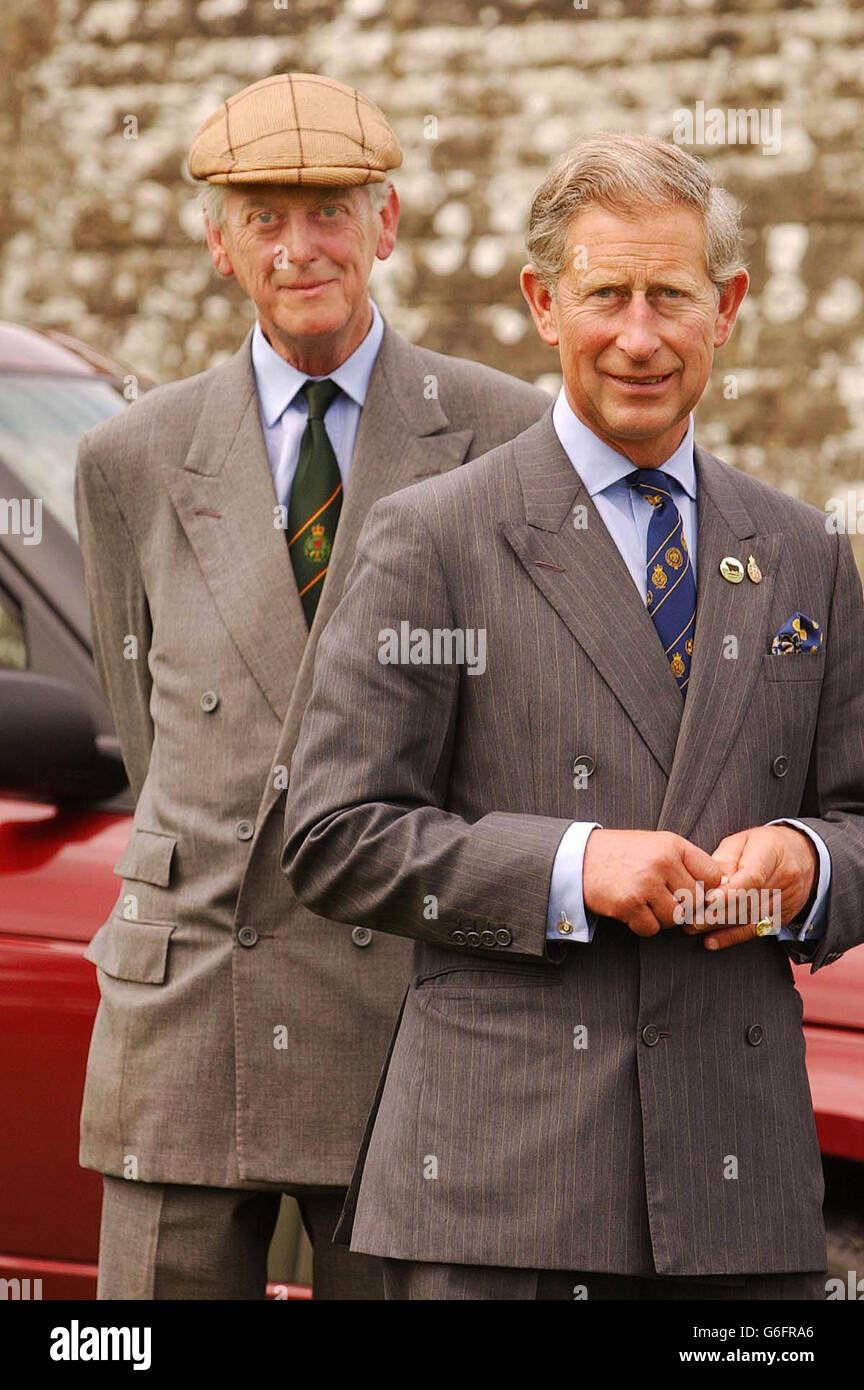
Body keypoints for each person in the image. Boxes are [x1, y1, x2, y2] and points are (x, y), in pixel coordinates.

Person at [282, 133, 864, 1300]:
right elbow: (331, 834)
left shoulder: (804, 552)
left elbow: (859, 818)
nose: (639, 336)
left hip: (738, 1208)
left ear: (728, 306)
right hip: (506, 1199)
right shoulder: (433, 535)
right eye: (606, 295)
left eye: (672, 295)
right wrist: (572, 864)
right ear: (546, 303)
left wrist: (804, 865)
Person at [75, 71, 550, 1300]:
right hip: (189, 1004)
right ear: (218, 241)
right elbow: (147, 732)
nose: (302, 248)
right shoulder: (130, 454)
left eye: (331, 210)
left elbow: (513, 726)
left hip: (402, 995)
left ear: (385, 224)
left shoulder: (500, 432)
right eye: (266, 216)